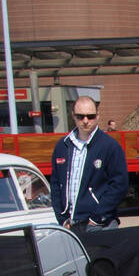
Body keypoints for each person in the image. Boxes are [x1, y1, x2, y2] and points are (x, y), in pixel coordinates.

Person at [49, 96, 128, 230]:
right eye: (80, 116)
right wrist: (62, 219)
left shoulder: (109, 146)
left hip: (98, 225)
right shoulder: (62, 146)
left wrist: (97, 218)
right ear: (73, 116)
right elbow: (56, 185)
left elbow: (119, 185)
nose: (85, 121)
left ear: (97, 116)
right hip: (70, 225)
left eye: (90, 116)